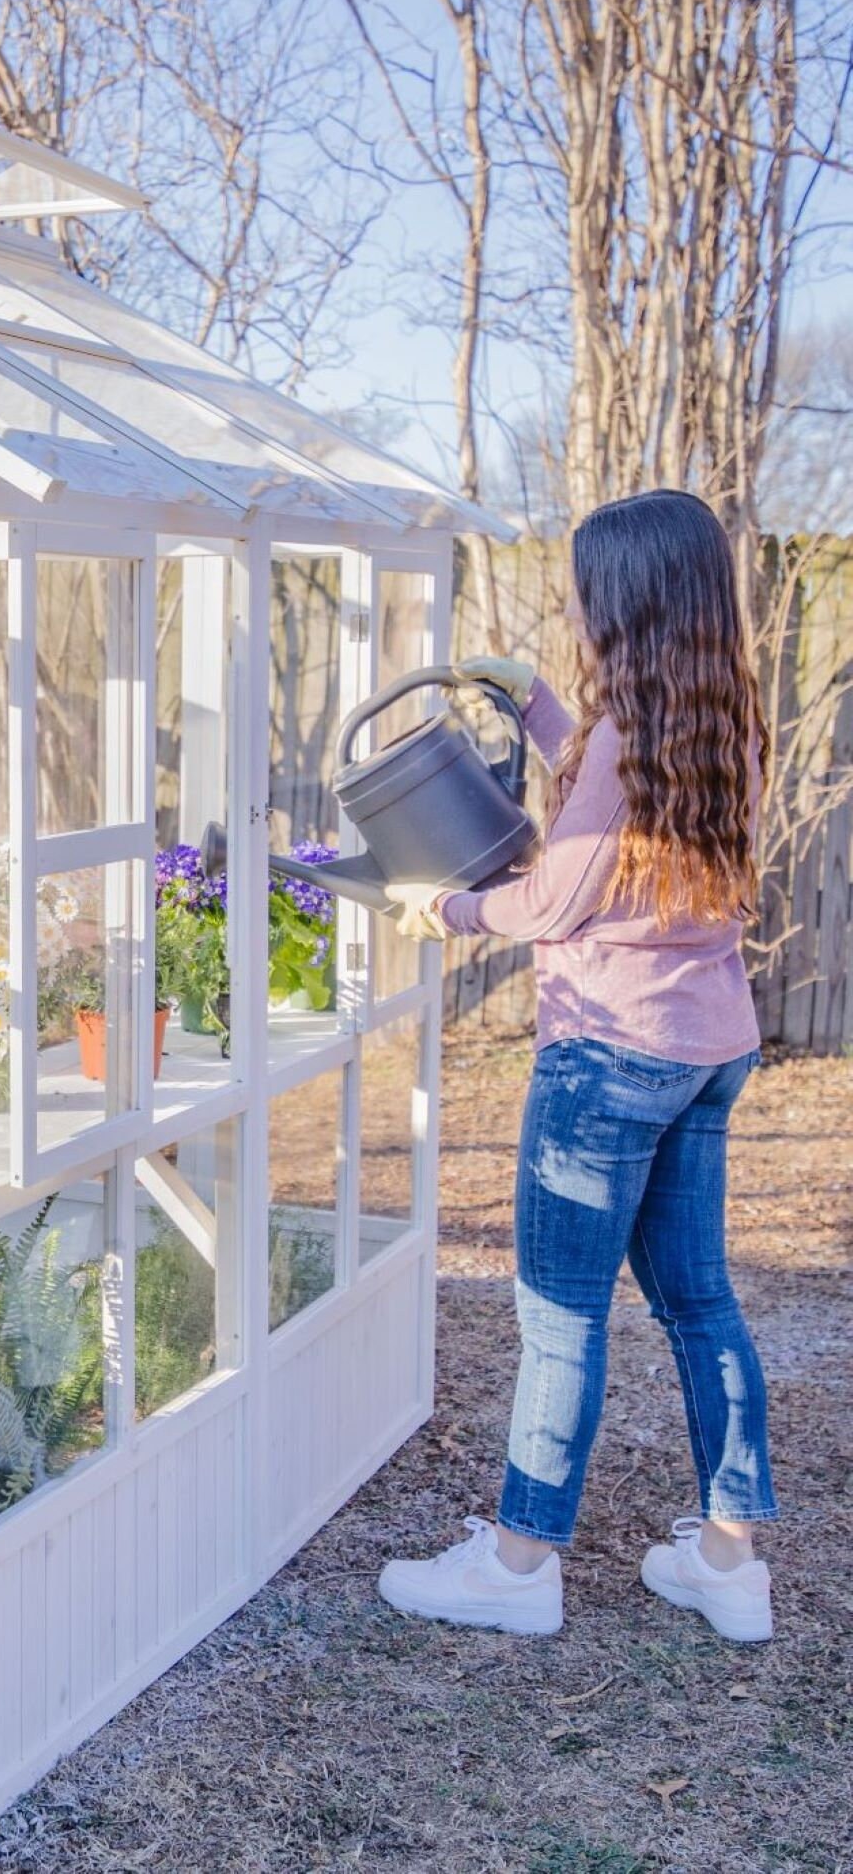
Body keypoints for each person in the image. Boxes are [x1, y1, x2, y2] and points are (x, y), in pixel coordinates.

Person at [377, 488, 776, 1643]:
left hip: (607, 1058)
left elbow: (555, 896)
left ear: (628, 598)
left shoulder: (623, 738)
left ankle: (515, 1566)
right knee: (698, 1302)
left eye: (585, 588)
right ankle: (726, 1563)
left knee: (559, 1319)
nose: (572, 603)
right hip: (705, 1049)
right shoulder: (722, 716)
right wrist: (540, 707)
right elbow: (622, 805)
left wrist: (445, 906)